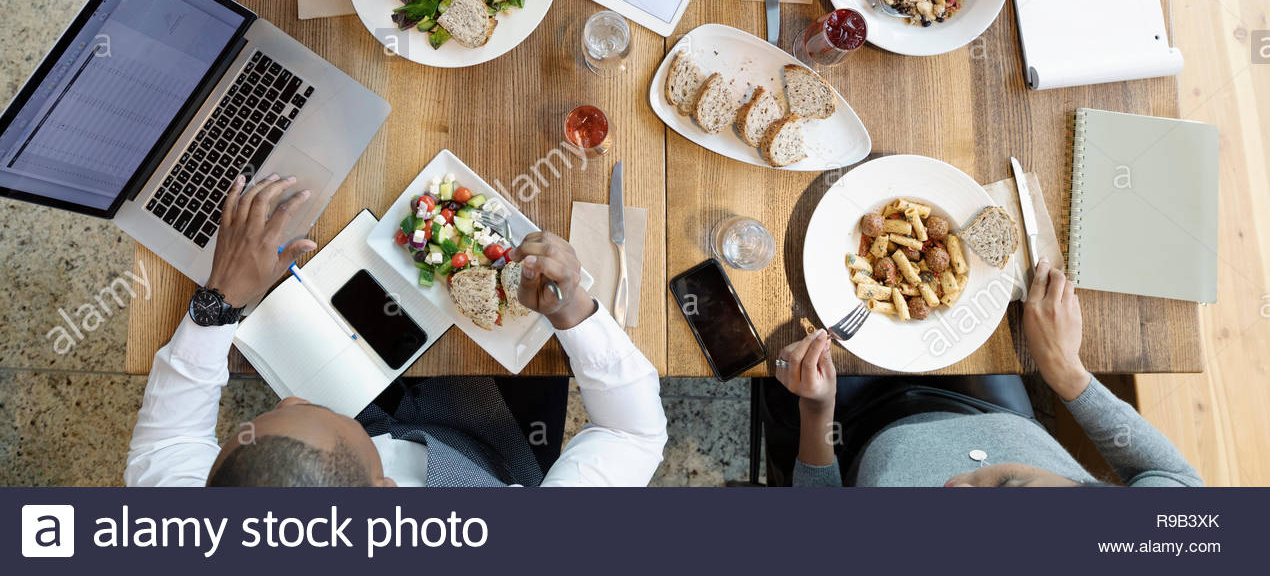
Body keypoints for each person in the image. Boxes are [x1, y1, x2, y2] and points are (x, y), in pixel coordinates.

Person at [125, 173, 667, 487]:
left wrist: (220, 299)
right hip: (490, 441)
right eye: (315, 413)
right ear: (387, 491)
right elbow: (633, 434)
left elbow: (169, 442)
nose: (288, 400)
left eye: (269, 418)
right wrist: (571, 308)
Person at [766, 258, 1202, 486]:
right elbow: (1180, 480)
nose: (957, 488)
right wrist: (1066, 370)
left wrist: (818, 409)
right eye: (1009, 483)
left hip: (855, 431)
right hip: (988, 409)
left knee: (782, 337)